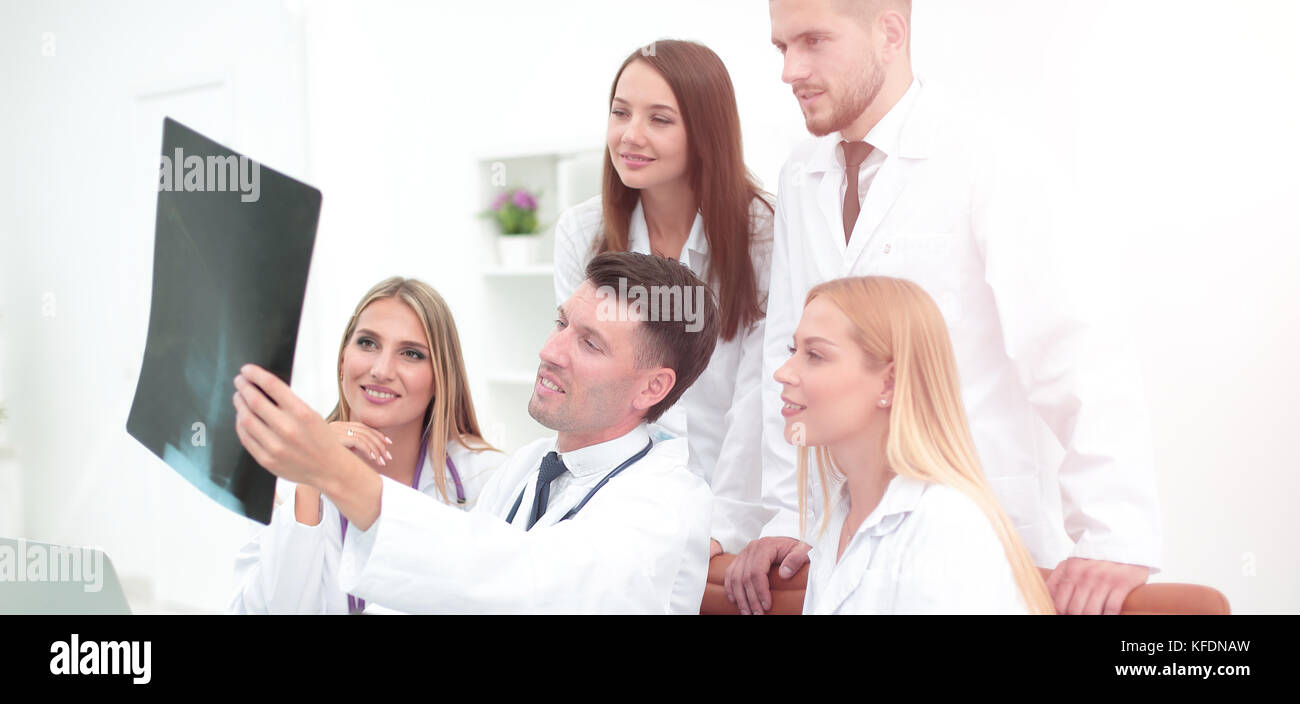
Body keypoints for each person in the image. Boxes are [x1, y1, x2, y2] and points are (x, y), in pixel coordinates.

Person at [727, 0, 1161, 615]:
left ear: (890, 32)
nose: (790, 70)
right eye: (781, 47)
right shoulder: (801, 172)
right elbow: (788, 349)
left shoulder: (989, 158)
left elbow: (1071, 346)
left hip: (971, 528)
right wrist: (787, 512)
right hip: (847, 528)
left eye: (814, 41)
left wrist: (1115, 533)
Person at [230, 252, 719, 613]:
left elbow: (522, 582)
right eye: (561, 323)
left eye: (589, 343)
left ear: (652, 387)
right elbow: (438, 597)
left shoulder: (665, 506)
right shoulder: (530, 467)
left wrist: (333, 472)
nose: (551, 350)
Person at [553, 39, 774, 556]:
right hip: (621, 507)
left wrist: (722, 526)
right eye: (620, 112)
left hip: (737, 511)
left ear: (705, 132)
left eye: (660, 119)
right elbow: (583, 385)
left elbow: (757, 396)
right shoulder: (582, 232)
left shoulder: (765, 233)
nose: (631, 136)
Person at [777, 276, 1053, 613]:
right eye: (794, 350)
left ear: (889, 382)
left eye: (815, 355)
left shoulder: (947, 527)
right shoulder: (841, 519)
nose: (783, 372)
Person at [229, 277, 504, 614]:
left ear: (441, 377)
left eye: (411, 354)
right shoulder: (279, 476)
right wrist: (310, 480)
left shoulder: (484, 478)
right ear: (343, 358)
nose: (381, 370)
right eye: (368, 343)